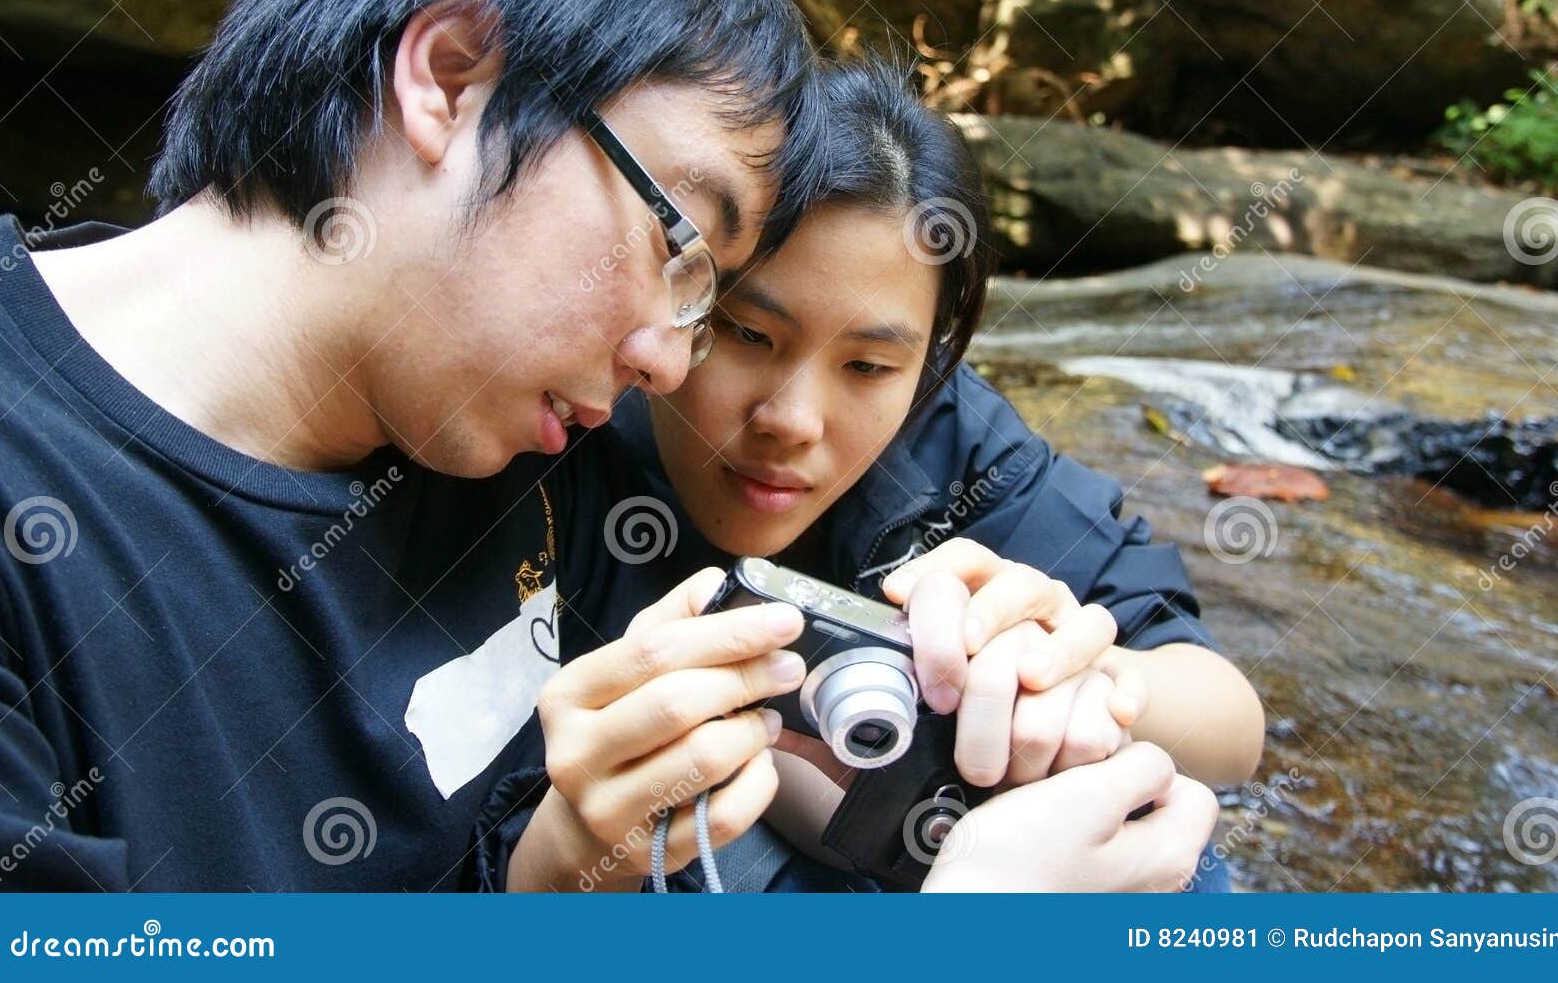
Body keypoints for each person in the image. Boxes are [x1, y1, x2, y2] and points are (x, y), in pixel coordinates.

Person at [0, 0, 825, 890]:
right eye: (680, 246)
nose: (668, 364)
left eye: (707, 306)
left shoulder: (517, 430)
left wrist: (992, 658)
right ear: (448, 76)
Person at [482, 59, 1254, 892]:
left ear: (930, 361)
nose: (793, 419)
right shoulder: (554, 423)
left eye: (870, 364)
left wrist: (1086, 677)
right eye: (747, 333)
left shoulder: (951, 438)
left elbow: (1230, 725)